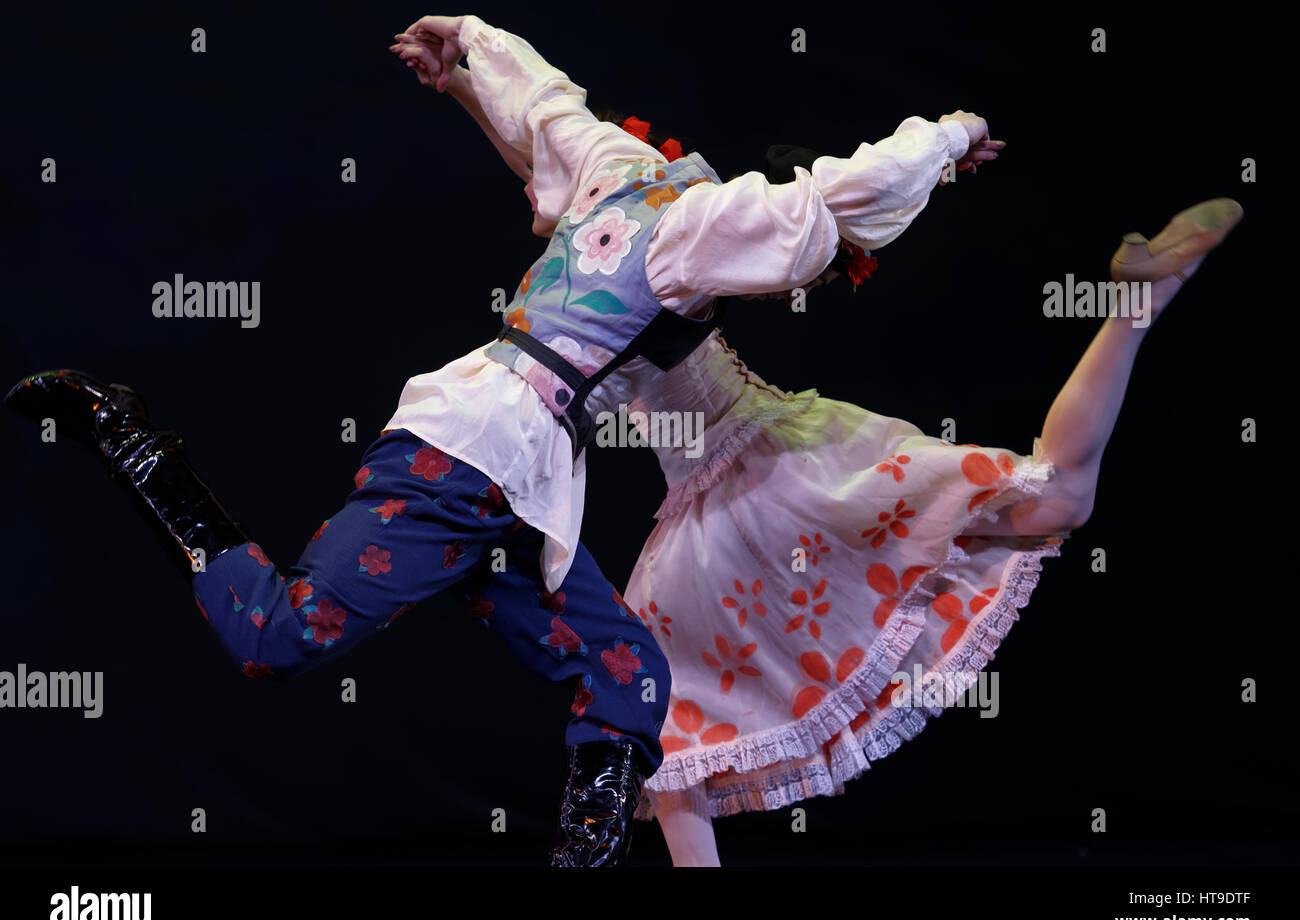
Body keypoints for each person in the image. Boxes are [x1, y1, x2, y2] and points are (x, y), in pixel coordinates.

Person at [390, 17, 1245, 867]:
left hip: (730, 500)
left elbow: (549, 127)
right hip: (805, 450)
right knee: (1057, 494)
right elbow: (546, 136)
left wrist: (470, 57)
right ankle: (1144, 305)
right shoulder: (673, 213)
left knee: (661, 719)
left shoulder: (634, 217)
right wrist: (467, 75)